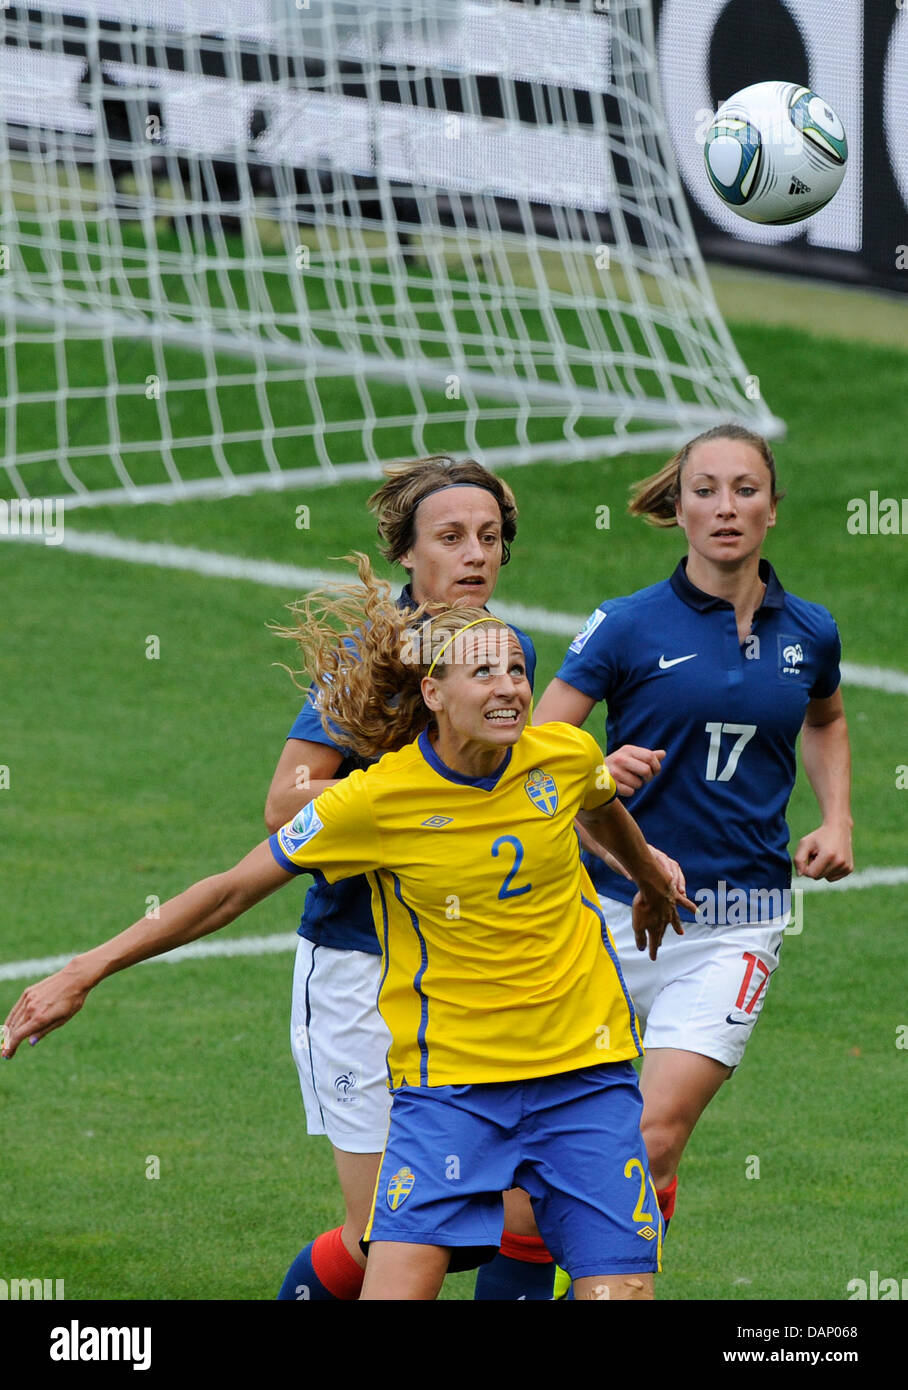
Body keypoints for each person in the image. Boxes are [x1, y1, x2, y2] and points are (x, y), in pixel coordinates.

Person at [2, 568, 695, 1301]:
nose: (510, 687)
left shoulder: (564, 753)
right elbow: (230, 892)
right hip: (452, 1092)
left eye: (518, 670)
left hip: (584, 1080)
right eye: (482, 671)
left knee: (620, 1293)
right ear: (432, 693)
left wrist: (648, 876)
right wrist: (86, 969)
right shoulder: (374, 801)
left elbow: (600, 803)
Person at [533, 422, 854, 1231]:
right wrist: (600, 775)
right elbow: (536, 754)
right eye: (704, 490)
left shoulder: (810, 632)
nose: (725, 507)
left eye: (745, 490)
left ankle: (610, 1287)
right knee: (546, 1149)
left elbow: (827, 718)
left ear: (773, 509)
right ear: (677, 508)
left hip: (735, 926)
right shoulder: (626, 626)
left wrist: (837, 817)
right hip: (605, 917)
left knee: (652, 1136)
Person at [262, 455, 546, 1301]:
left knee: (523, 1214)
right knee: (388, 1234)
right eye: (451, 538)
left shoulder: (505, 651)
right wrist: (398, 802)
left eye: (489, 539)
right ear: (407, 556)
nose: (475, 557)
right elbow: (285, 803)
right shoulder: (371, 654)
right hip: (357, 968)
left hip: (469, 968)